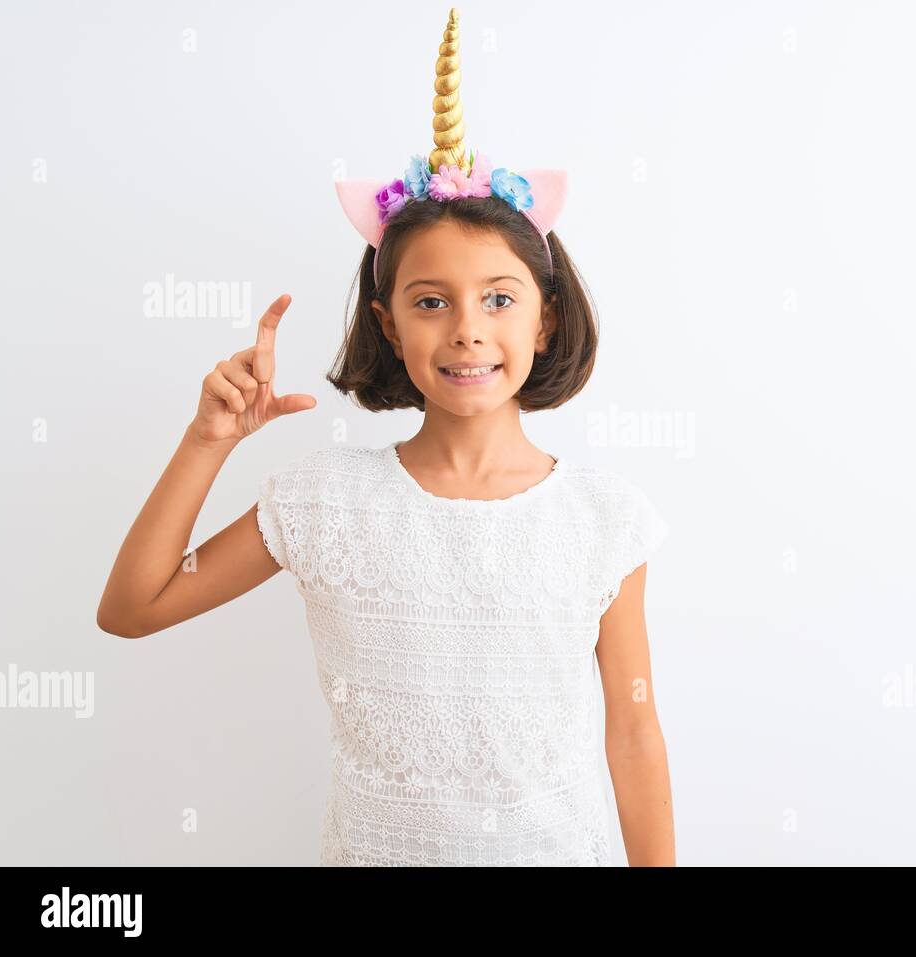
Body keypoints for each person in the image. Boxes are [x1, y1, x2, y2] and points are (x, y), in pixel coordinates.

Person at [96, 7, 674, 866]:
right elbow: (131, 609)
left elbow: (632, 731)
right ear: (390, 324)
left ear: (547, 321)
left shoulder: (602, 519)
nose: (468, 329)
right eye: (431, 300)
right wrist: (207, 440)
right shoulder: (324, 500)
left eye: (500, 298)